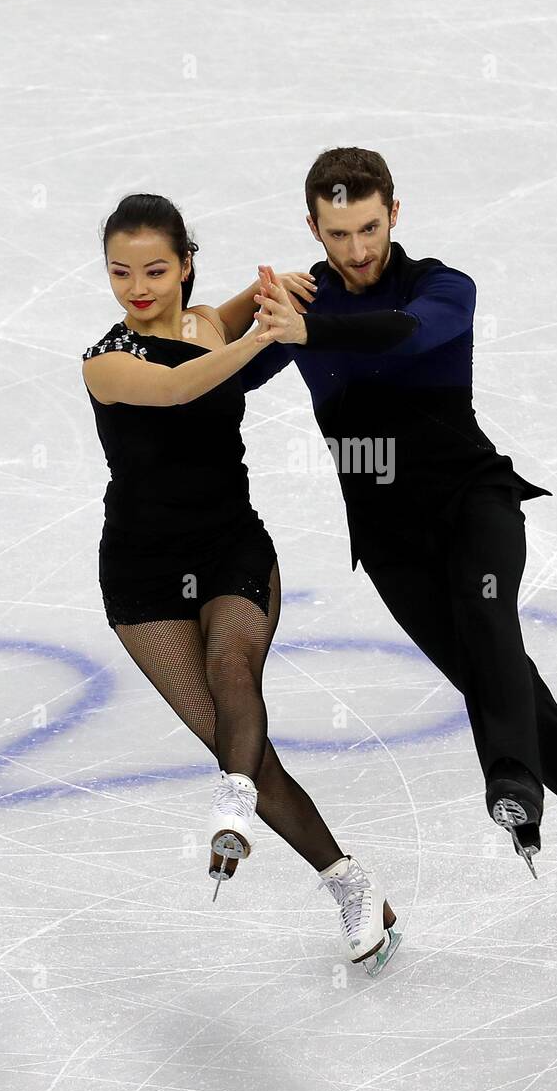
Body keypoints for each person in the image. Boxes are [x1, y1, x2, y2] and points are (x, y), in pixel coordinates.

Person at [241, 149, 557, 944]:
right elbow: (224, 375)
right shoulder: (295, 307)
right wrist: (249, 307)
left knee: (490, 632)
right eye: (338, 232)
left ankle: (510, 780)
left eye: (370, 226)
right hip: (388, 540)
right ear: (312, 227)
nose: (356, 248)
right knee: (501, 683)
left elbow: (404, 337)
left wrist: (305, 326)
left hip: (474, 501)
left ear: (395, 213)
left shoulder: (440, 287)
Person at [80, 193, 401, 974]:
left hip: (230, 550)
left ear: (186, 264)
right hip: (140, 573)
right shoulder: (106, 361)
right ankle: (351, 884)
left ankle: (231, 797)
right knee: (247, 750)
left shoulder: (203, 324)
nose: (138, 286)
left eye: (155, 268)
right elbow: (183, 386)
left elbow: (215, 334)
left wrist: (276, 296)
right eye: (121, 272)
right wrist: (259, 333)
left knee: (233, 674)